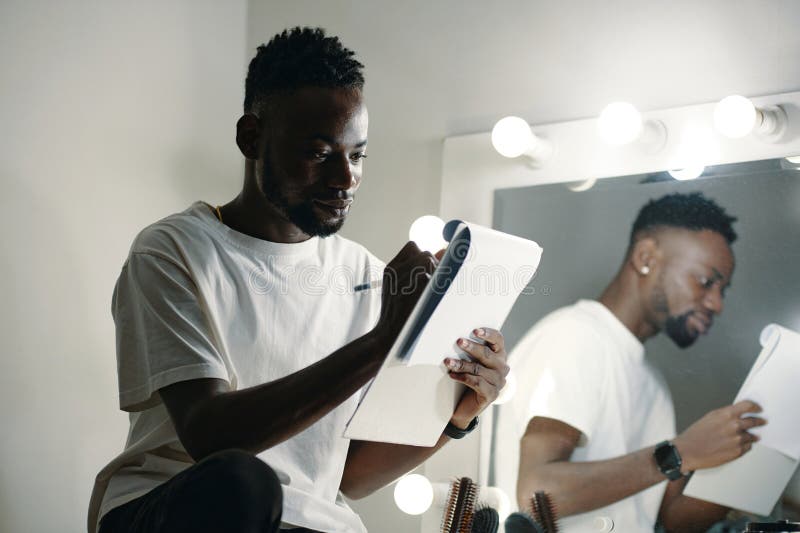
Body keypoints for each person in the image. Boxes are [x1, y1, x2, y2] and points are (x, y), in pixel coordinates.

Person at [88, 27, 509, 533]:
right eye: (319, 153)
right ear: (251, 137)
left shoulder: (369, 278)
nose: (344, 179)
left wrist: (457, 417)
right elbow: (209, 438)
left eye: (356, 156)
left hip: (307, 523)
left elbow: (347, 477)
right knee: (245, 482)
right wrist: (380, 342)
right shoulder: (172, 251)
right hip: (173, 508)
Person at [499, 192, 766, 532]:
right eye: (706, 281)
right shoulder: (576, 336)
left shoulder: (653, 383)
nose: (716, 304)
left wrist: (756, 448)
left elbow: (672, 519)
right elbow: (537, 492)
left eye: (722, 290)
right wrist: (680, 452)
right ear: (645, 257)